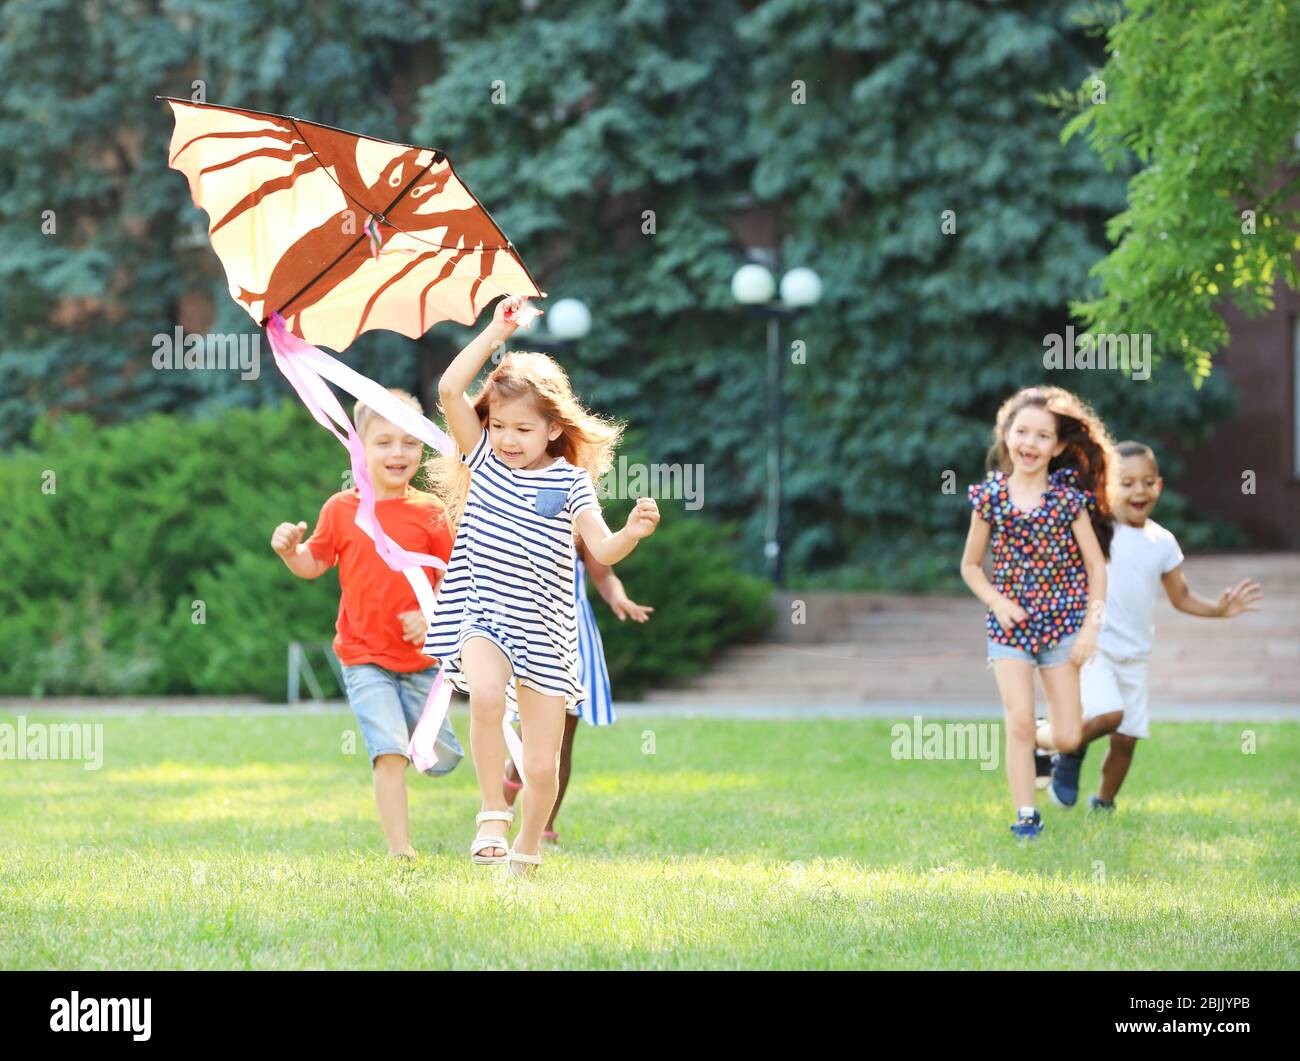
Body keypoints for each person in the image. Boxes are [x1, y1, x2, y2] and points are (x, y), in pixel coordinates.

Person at [424, 295, 660, 876]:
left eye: (523, 429)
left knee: (543, 762)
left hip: (546, 634)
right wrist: (494, 333)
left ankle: (527, 848)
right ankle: (489, 815)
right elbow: (451, 391)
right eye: (498, 425)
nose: (507, 438)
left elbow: (600, 548)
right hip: (483, 614)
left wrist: (630, 532)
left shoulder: (571, 484)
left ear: (554, 427)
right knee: (480, 697)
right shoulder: (482, 460)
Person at [271, 389, 463, 861]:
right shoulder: (341, 509)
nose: (398, 453)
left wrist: (432, 616)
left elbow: (459, 578)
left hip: (422, 663)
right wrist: (290, 552)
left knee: (443, 758)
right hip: (363, 658)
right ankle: (402, 851)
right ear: (359, 445)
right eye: (384, 442)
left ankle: (427, 751)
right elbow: (314, 563)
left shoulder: (432, 513)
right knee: (390, 751)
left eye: (409, 442)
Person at [1041, 441, 1263, 811]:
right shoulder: (1098, 531)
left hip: (1135, 656)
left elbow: (1181, 597)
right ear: (1107, 487)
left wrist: (1220, 610)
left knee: (1126, 739)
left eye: (1146, 482)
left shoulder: (1162, 542)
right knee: (1109, 715)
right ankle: (1068, 750)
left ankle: (1104, 802)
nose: (1138, 491)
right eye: (1126, 483)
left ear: (1158, 486)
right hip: (1095, 647)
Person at [960, 386, 1113, 840]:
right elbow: (970, 566)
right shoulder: (991, 498)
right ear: (1006, 435)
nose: (1030, 443)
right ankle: (1027, 816)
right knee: (1019, 718)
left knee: (1068, 736)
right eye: (1021, 432)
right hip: (1010, 629)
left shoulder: (1068, 501)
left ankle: (1046, 751)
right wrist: (997, 601)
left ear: (1059, 446)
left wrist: (1091, 629)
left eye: (1042, 436)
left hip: (1064, 627)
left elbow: (1096, 568)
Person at [502, 533, 654, 844]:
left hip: (574, 636)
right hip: (530, 629)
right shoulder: (515, 509)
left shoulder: (581, 523)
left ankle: (545, 825)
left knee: (562, 737)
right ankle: (501, 806)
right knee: (532, 732)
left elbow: (604, 575)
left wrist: (618, 598)